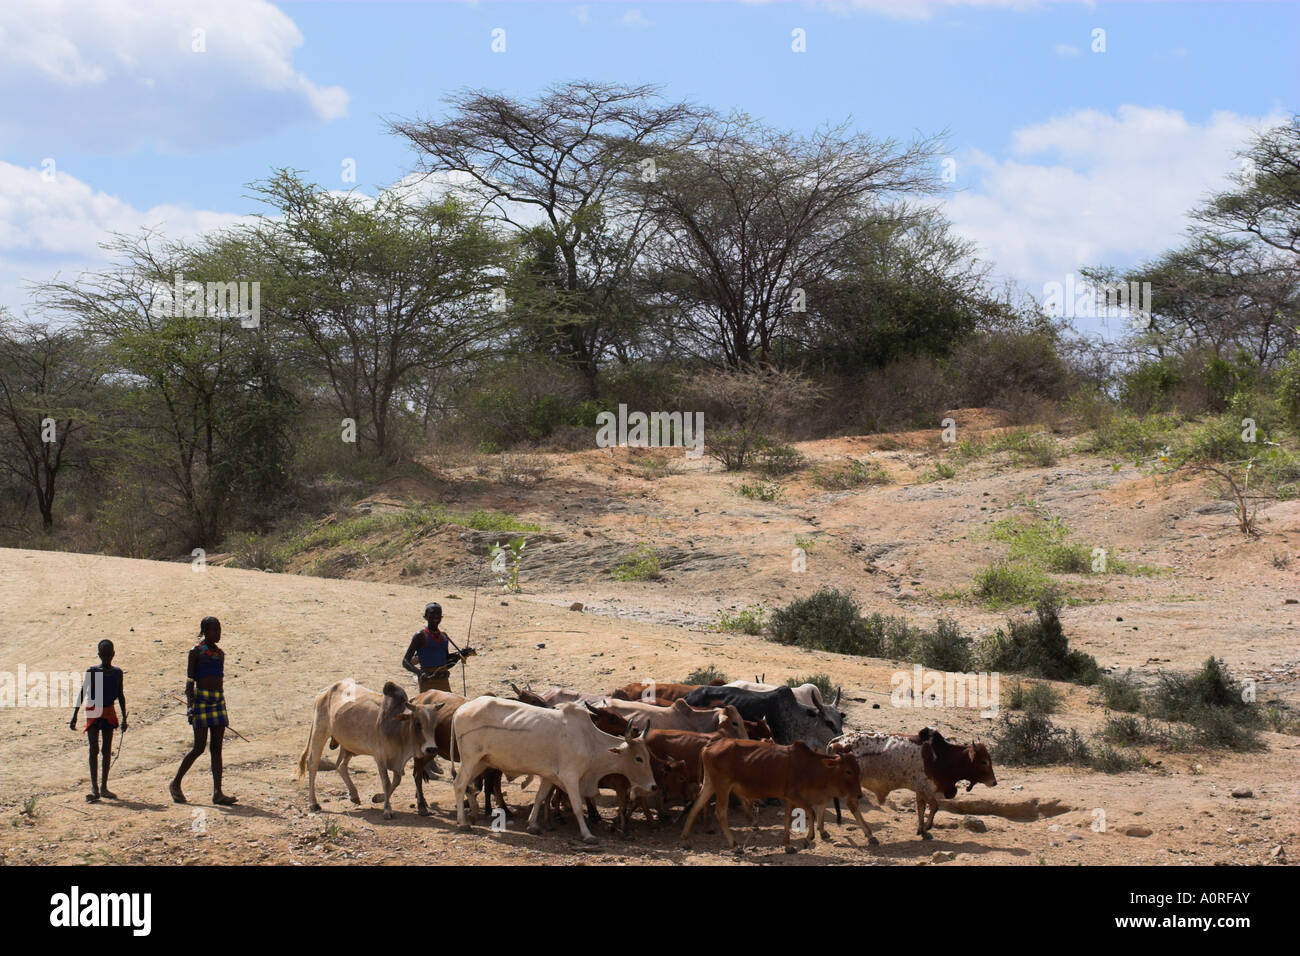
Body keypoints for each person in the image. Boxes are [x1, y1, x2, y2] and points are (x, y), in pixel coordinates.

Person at [170, 616, 236, 805]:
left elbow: (220, 681)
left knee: (217, 749)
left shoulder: (220, 654)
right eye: (214, 630)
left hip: (217, 701)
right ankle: (175, 783)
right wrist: (190, 707)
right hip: (200, 701)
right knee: (199, 747)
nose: (218, 633)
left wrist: (224, 710)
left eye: (219, 630)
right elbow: (189, 683)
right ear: (205, 631)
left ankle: (217, 792)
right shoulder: (196, 652)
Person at [69, 639, 127, 802]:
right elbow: (82, 692)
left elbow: (120, 695)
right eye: (104, 655)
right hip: (93, 711)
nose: (107, 657)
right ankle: (95, 787)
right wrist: (74, 715)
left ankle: (103, 787)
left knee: (106, 750)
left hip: (108, 711)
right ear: (99, 655)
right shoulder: (92, 671)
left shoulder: (117, 672)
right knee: (94, 748)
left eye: (109, 655)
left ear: (113, 654)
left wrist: (124, 717)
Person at [401, 602, 474, 693]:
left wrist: (459, 656)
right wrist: (419, 673)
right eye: (432, 613)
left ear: (441, 617)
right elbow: (405, 661)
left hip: (444, 682)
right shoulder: (420, 635)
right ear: (425, 617)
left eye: (438, 613)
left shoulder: (444, 636)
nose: (436, 616)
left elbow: (447, 663)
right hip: (427, 682)